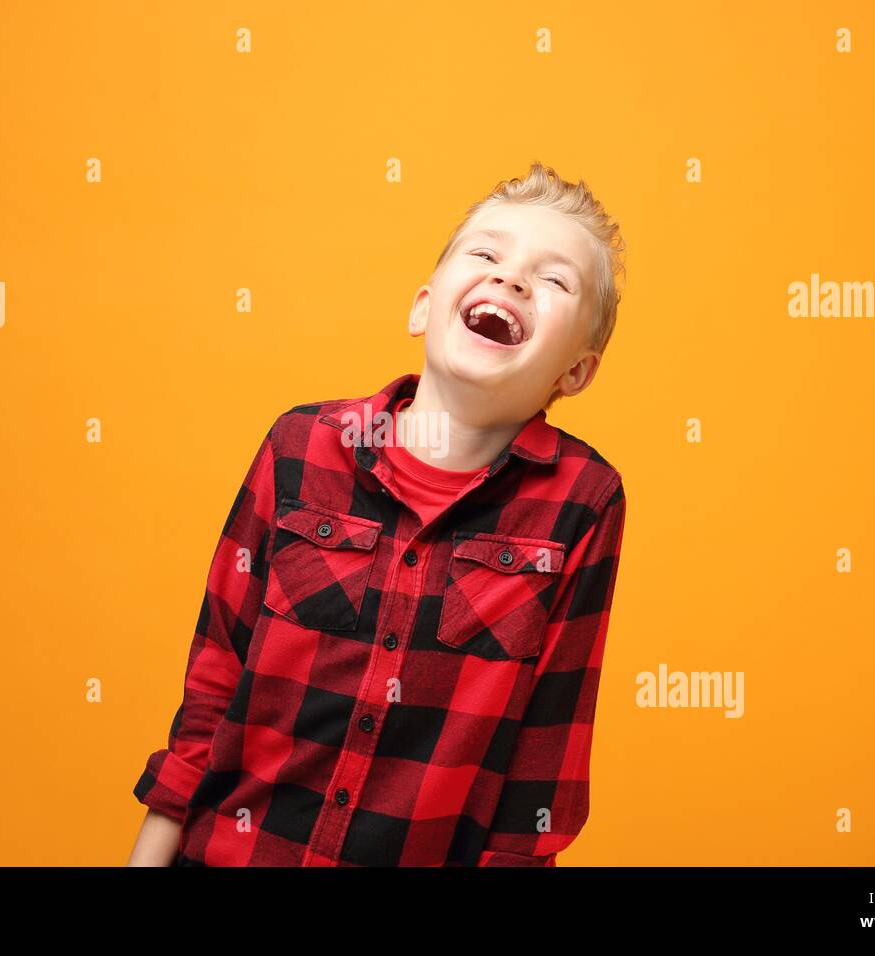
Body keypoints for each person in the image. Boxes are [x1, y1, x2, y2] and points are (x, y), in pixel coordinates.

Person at [127, 161, 628, 866]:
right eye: (487, 254)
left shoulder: (583, 503)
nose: (510, 279)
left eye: (553, 280)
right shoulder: (300, 448)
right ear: (423, 307)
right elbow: (214, 685)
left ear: (574, 372)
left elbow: (543, 767)